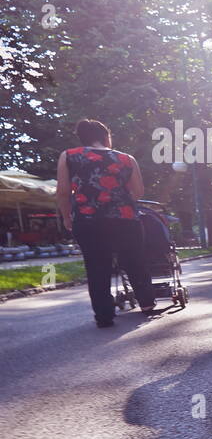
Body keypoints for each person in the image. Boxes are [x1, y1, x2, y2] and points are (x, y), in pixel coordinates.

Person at [55, 119, 156, 327]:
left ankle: (104, 315)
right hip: (125, 218)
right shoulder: (126, 159)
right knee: (135, 260)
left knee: (97, 266)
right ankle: (146, 303)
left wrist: (67, 217)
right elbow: (137, 192)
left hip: (87, 219)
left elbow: (63, 192)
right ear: (106, 137)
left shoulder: (69, 156)